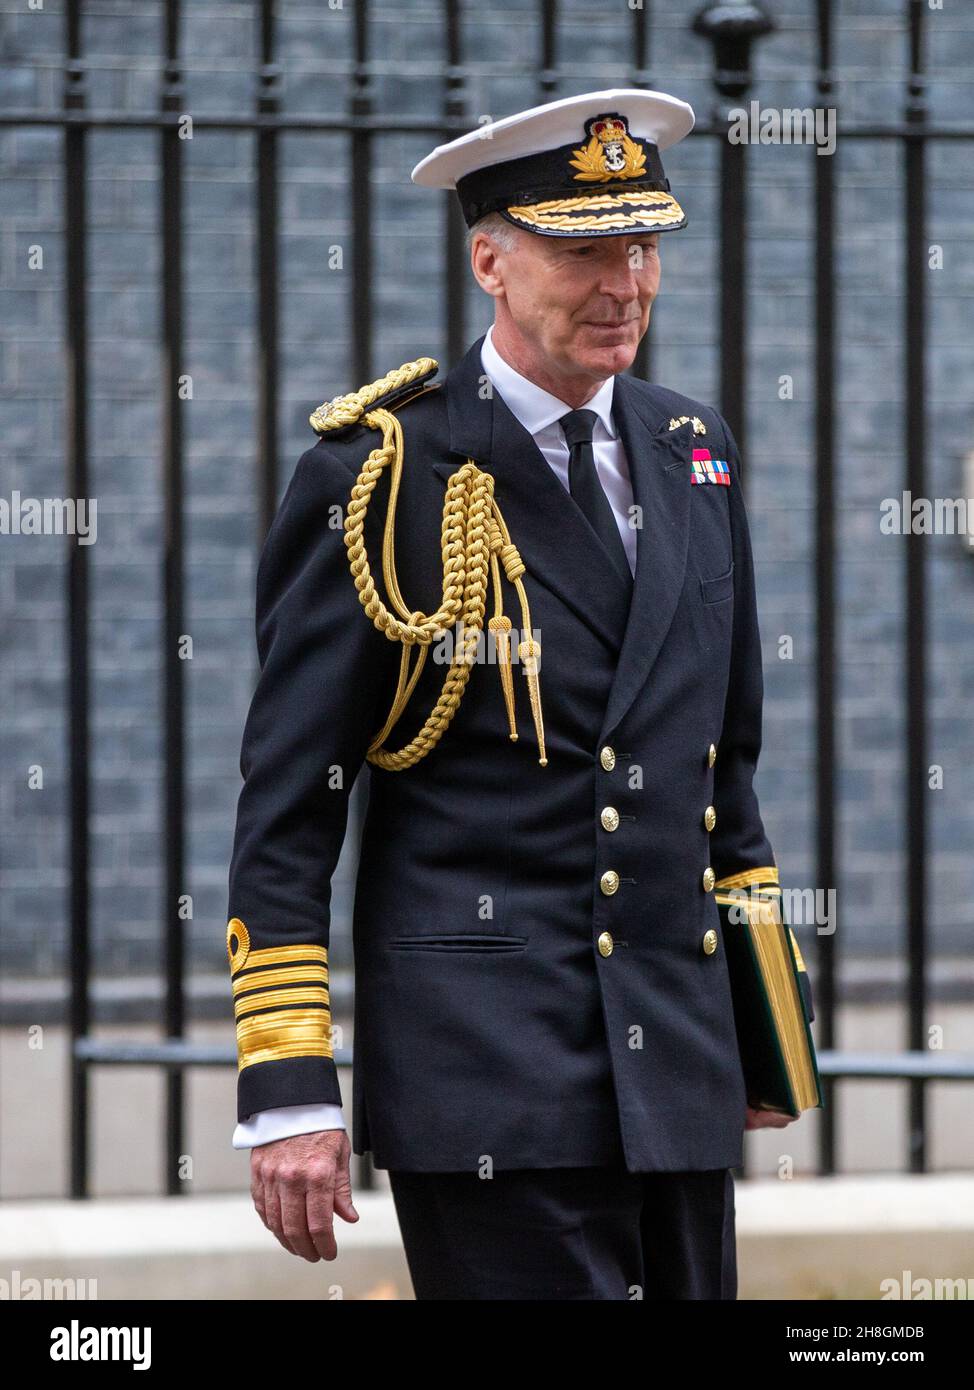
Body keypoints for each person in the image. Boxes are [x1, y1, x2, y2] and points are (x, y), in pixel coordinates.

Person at [225, 87, 813, 1300]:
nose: (624, 284)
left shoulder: (691, 447)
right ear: (490, 259)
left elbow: (724, 768)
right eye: (584, 249)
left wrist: (765, 1031)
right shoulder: (381, 473)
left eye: (642, 244)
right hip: (484, 1067)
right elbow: (288, 805)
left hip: (675, 1063)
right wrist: (287, 1087)